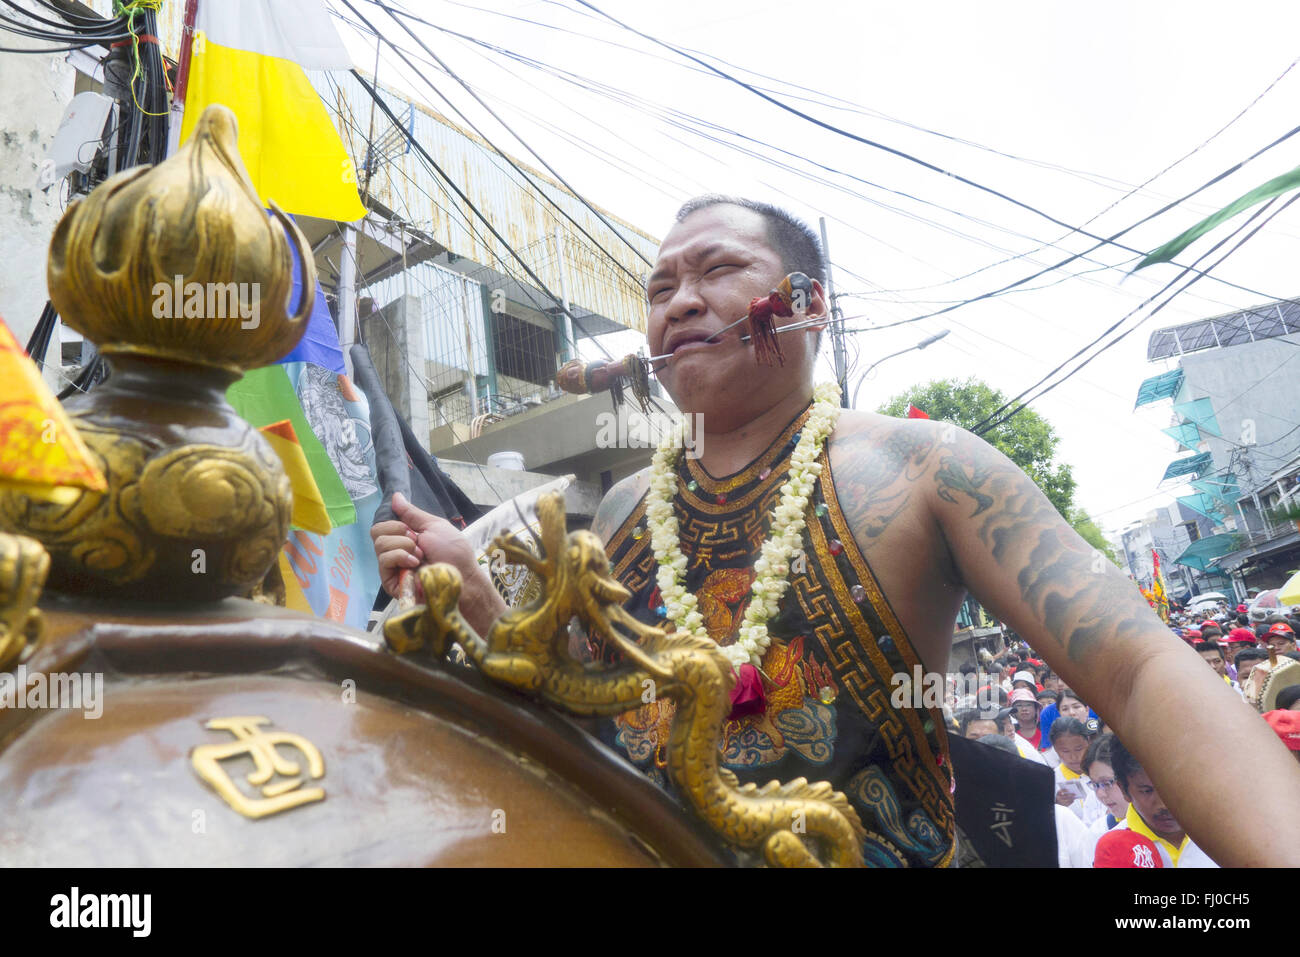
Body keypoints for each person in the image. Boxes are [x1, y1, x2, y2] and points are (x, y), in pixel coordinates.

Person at [373, 194, 1300, 867]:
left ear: (807, 304)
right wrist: (485, 605)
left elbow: (1137, 672)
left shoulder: (927, 466)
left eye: (718, 270)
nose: (680, 299)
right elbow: (582, 725)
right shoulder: (616, 516)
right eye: (660, 287)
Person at [1093, 737, 1217, 867]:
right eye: (1147, 791)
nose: (1164, 805)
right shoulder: (1112, 852)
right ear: (1124, 790)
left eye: (1174, 789)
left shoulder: (1223, 834)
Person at [1050, 717, 1105, 825]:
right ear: (1055, 749)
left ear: (1088, 742)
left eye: (1079, 749)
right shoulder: (1052, 780)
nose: (1074, 757)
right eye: (1065, 751)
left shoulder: (1103, 771)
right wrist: (1057, 806)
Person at [1082, 733, 1128, 837]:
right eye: (1095, 785)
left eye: (1107, 783)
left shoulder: (1164, 825)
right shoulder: (1098, 833)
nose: (1101, 794)